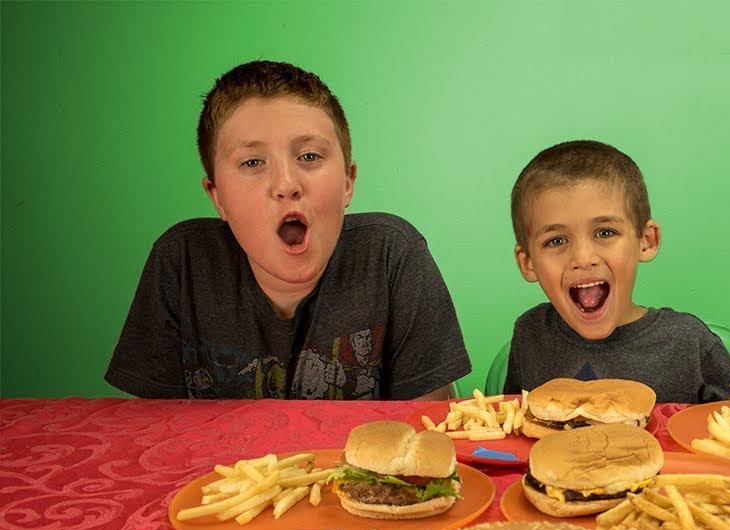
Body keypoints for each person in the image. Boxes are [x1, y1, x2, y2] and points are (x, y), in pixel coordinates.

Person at [105, 61, 470, 400]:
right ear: (218, 198)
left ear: (347, 182)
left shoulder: (393, 255)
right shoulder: (180, 263)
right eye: (252, 162)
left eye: (309, 156)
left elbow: (430, 433)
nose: (286, 184)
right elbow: (152, 439)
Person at [504, 140, 730, 403]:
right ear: (528, 263)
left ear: (646, 241)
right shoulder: (530, 334)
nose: (583, 258)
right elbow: (511, 432)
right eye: (557, 241)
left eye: (605, 232)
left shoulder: (689, 342)